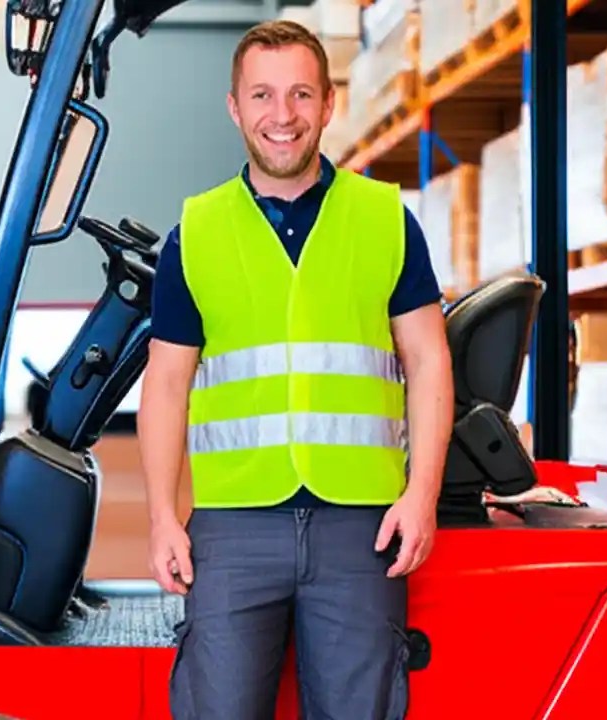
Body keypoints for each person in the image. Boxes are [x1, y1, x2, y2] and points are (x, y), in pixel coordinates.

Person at [136, 19, 454, 720]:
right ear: (234, 107)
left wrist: (421, 494)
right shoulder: (196, 233)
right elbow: (165, 385)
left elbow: (428, 359)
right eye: (262, 95)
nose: (282, 116)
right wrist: (163, 516)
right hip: (232, 526)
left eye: (300, 95)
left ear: (328, 103)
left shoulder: (384, 219)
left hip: (360, 528)